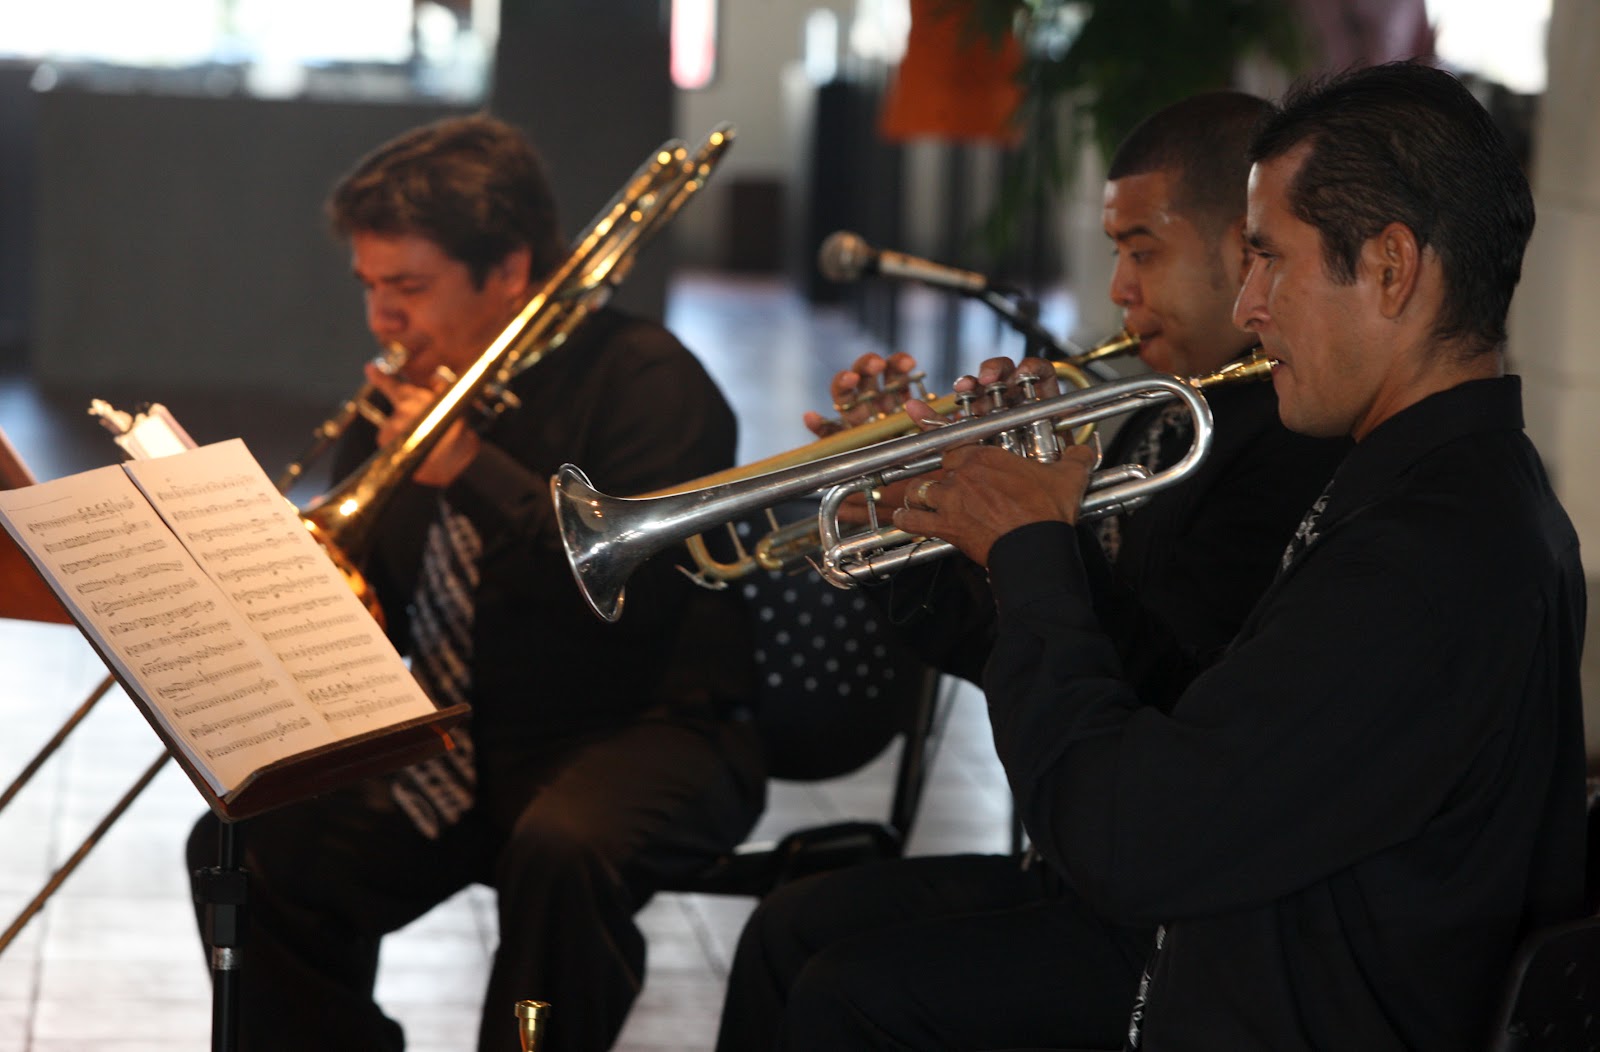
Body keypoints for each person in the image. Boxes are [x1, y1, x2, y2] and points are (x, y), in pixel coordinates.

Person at [894, 60, 1587, 1049]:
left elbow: (1124, 840)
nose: (1250, 304)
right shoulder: (1437, 497)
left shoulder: (1423, 557)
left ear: (1389, 267)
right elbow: (1204, 723)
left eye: (1269, 257)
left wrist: (1034, 552)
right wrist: (1022, 541)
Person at [716, 92, 1347, 1051]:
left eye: (1143, 249)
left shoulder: (1285, 451)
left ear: (1242, 245)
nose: (1120, 288)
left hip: (1172, 917)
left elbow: (1162, 694)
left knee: (848, 990)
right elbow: (1000, 647)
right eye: (1116, 253)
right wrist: (912, 512)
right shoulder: (1159, 414)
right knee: (784, 931)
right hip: (1083, 873)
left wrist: (1031, 548)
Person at [185, 115, 766, 1052]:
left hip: (648, 725)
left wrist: (472, 468)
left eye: (409, 287)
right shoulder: (413, 394)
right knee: (256, 845)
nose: (382, 320)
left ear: (509, 270)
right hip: (469, 737)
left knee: (562, 852)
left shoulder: (649, 382)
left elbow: (640, 594)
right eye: (371, 287)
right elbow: (373, 583)